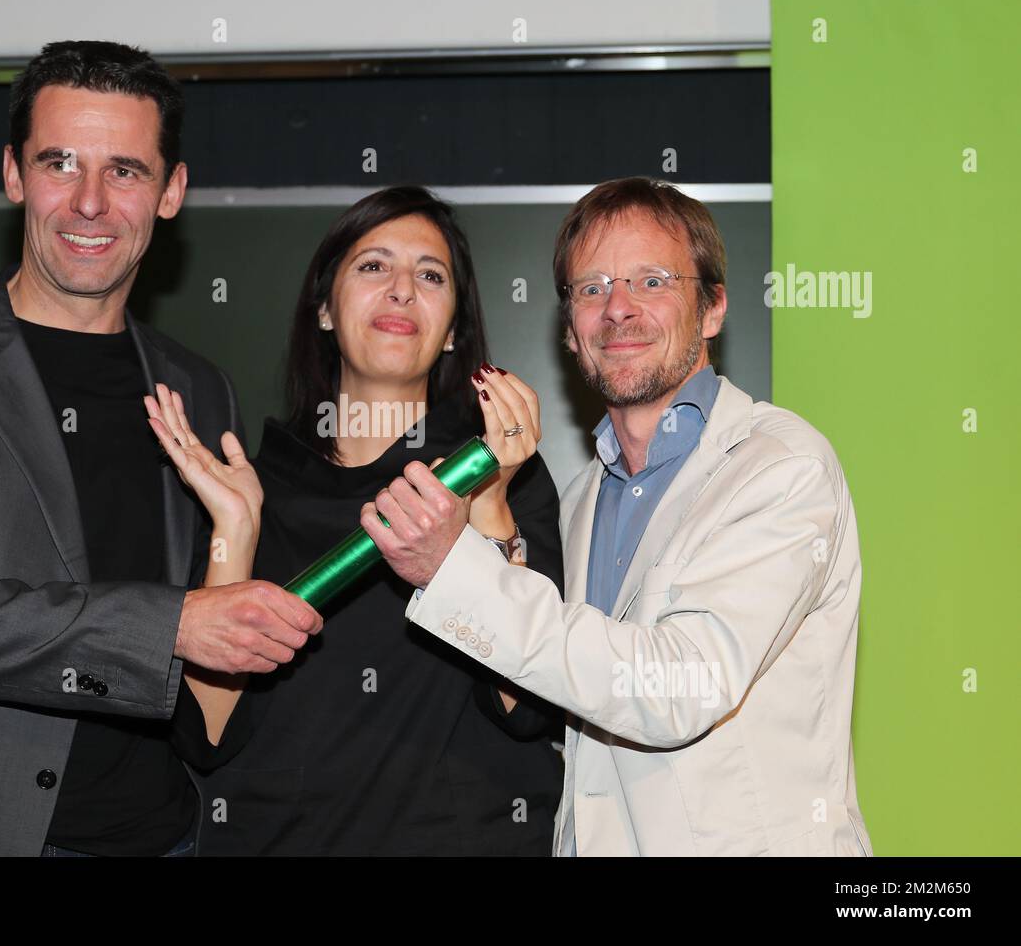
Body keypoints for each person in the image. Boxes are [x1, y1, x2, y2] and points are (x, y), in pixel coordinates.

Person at [0, 40, 321, 857]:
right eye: (60, 163)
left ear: (171, 192)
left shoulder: (199, 388)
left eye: (124, 170)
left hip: (162, 838)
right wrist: (171, 625)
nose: (90, 202)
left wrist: (233, 552)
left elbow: (210, 658)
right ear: (15, 175)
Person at [361, 177, 873, 856]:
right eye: (592, 288)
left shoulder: (780, 468)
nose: (618, 310)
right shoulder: (575, 504)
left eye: (652, 281)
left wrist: (453, 571)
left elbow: (679, 689)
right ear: (570, 331)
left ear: (713, 307)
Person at [146, 187, 564, 855]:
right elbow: (208, 737)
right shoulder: (251, 485)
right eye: (374, 266)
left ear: (454, 327)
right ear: (322, 309)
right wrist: (234, 529)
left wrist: (488, 498)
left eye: (431, 275)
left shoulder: (502, 472)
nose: (402, 290)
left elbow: (528, 708)